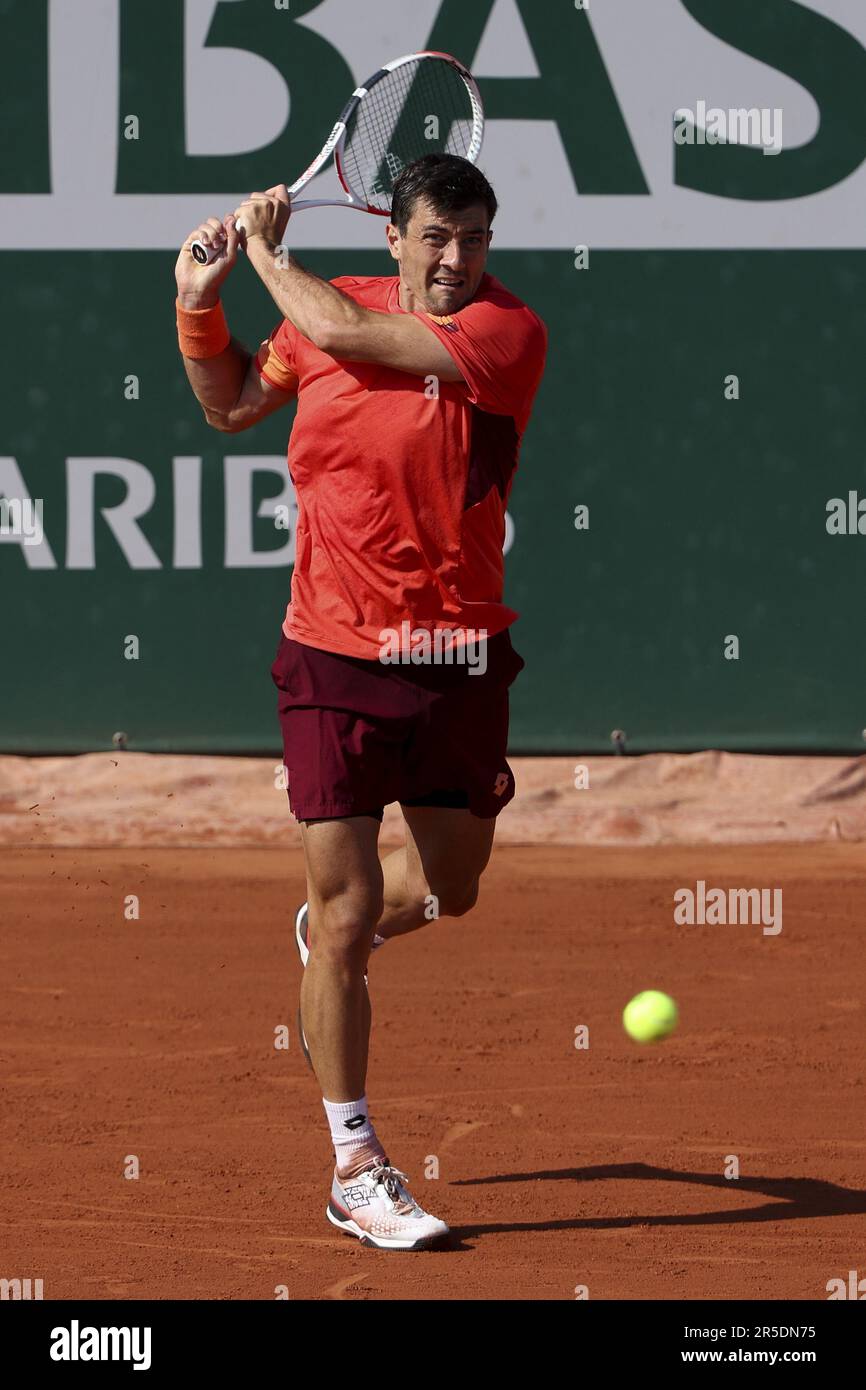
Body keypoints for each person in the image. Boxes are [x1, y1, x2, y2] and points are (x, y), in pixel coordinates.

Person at [175, 154, 547, 1250]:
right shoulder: (328, 314)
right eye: (435, 238)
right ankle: (355, 1162)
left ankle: (332, 927)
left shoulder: (504, 331)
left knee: (451, 886)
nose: (456, 259)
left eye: (474, 238)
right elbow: (235, 403)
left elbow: (337, 334)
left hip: (458, 653)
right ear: (394, 237)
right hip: (331, 651)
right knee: (344, 919)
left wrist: (264, 257)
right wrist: (199, 309)